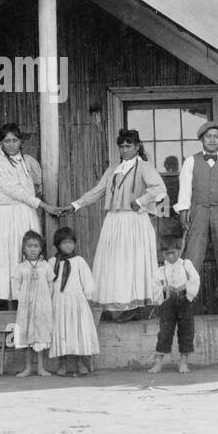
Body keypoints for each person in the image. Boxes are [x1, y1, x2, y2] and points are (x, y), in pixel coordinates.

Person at [64, 128, 166, 321]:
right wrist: (75, 205)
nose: (125, 149)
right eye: (122, 146)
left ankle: (132, 306)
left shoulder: (145, 167)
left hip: (134, 221)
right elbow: (98, 191)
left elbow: (159, 188)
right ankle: (118, 306)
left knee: (130, 263)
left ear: (137, 147)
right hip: (114, 221)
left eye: (129, 146)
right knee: (114, 264)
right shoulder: (113, 169)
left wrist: (141, 201)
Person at [173, 121, 218, 316]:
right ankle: (188, 301)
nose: (212, 140)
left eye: (216, 136)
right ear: (202, 139)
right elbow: (185, 190)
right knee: (192, 257)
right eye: (208, 136)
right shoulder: (191, 162)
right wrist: (184, 212)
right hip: (199, 209)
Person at [0, 123, 56, 313]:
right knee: (9, 258)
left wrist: (38, 200)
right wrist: (42, 205)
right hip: (7, 216)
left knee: (28, 255)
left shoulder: (27, 162)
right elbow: (13, 190)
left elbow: (35, 186)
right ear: (0, 143)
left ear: (21, 141)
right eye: (6, 141)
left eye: (15, 140)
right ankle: (11, 310)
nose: (11, 144)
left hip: (26, 214)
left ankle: (30, 308)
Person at [49, 226, 98, 376]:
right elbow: (49, 283)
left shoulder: (79, 261)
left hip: (76, 303)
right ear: (58, 245)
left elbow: (87, 282)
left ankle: (79, 363)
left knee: (77, 332)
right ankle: (63, 364)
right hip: (59, 302)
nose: (68, 245)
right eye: (64, 243)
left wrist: (87, 297)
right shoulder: (52, 262)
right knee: (61, 332)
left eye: (71, 242)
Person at [149, 235, 202, 374]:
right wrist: (164, 290)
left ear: (179, 251)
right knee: (165, 333)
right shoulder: (160, 270)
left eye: (174, 252)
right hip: (168, 305)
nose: (171, 256)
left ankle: (183, 363)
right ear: (162, 254)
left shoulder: (186, 264)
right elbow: (155, 287)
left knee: (186, 332)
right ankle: (158, 363)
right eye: (167, 253)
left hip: (185, 302)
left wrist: (185, 287)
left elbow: (195, 279)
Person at [11, 230, 54, 377]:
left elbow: (51, 285)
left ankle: (41, 368)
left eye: (36, 246)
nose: (33, 249)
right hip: (26, 307)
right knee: (27, 337)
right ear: (24, 248)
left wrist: (47, 300)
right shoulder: (21, 267)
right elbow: (15, 285)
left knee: (40, 336)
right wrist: (22, 299)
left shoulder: (46, 266)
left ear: (41, 248)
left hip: (42, 306)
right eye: (29, 246)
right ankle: (28, 368)